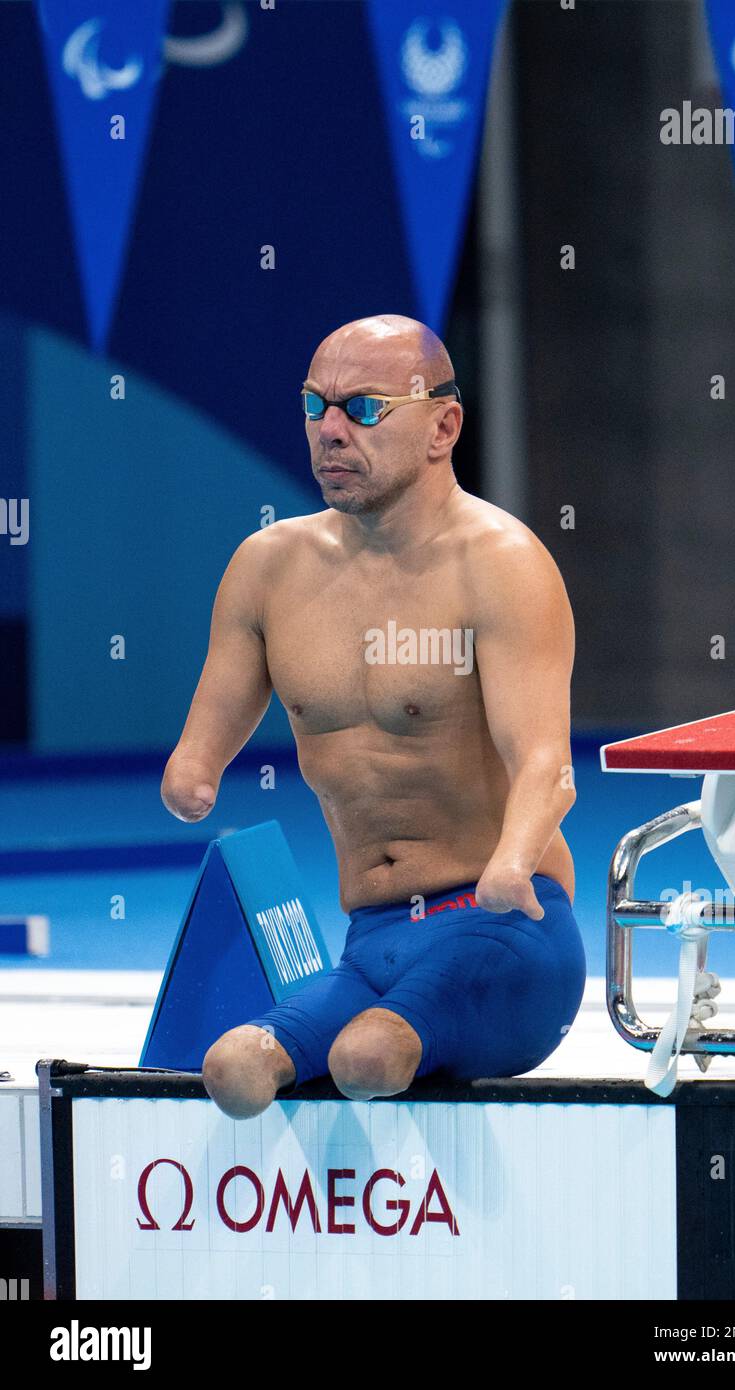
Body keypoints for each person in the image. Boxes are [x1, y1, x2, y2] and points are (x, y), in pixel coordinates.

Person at [161, 313, 585, 1116]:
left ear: (442, 426)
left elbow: (545, 762)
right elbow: (205, 736)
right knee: (233, 1072)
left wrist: (510, 860)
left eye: (361, 409)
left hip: (506, 927)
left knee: (367, 1053)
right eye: (315, 405)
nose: (329, 431)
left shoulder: (501, 564)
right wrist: (193, 771)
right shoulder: (268, 568)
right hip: (374, 940)